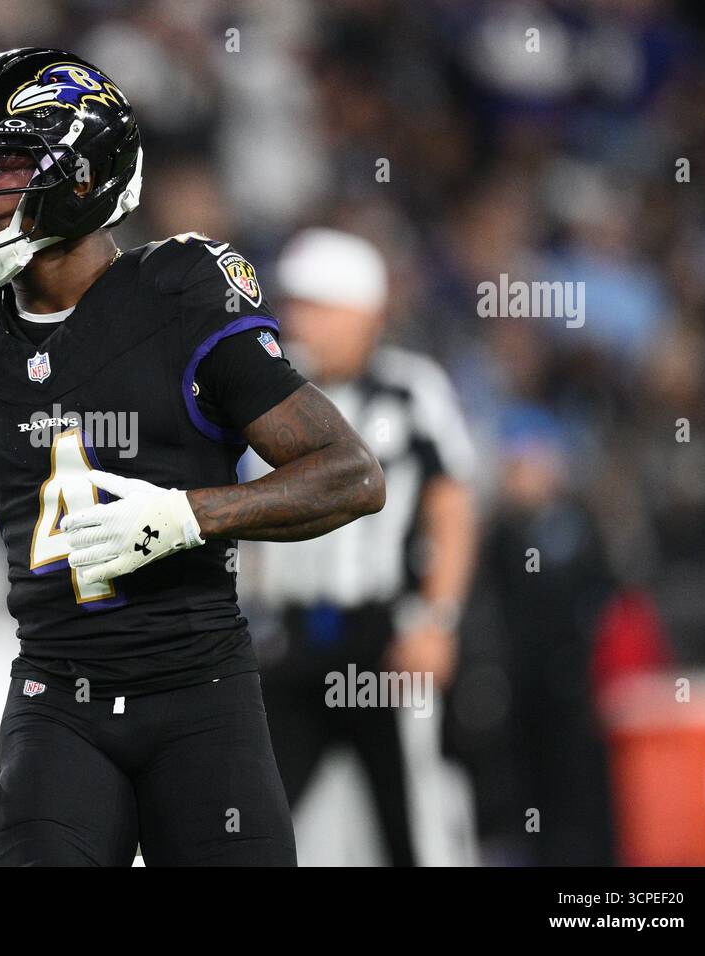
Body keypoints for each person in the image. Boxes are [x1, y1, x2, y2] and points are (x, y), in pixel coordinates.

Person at [0, 48, 385, 866]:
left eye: (0, 169)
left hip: (202, 697)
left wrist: (184, 516)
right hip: (56, 706)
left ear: (84, 174)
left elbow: (350, 474)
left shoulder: (181, 292)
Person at [242, 228, 478, 866]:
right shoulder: (266, 395)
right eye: (295, 303)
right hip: (287, 642)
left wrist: (438, 620)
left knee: (416, 824)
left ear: (366, 312)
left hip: (383, 637)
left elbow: (451, 506)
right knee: (251, 823)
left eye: (319, 305)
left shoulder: (409, 389)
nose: (300, 320)